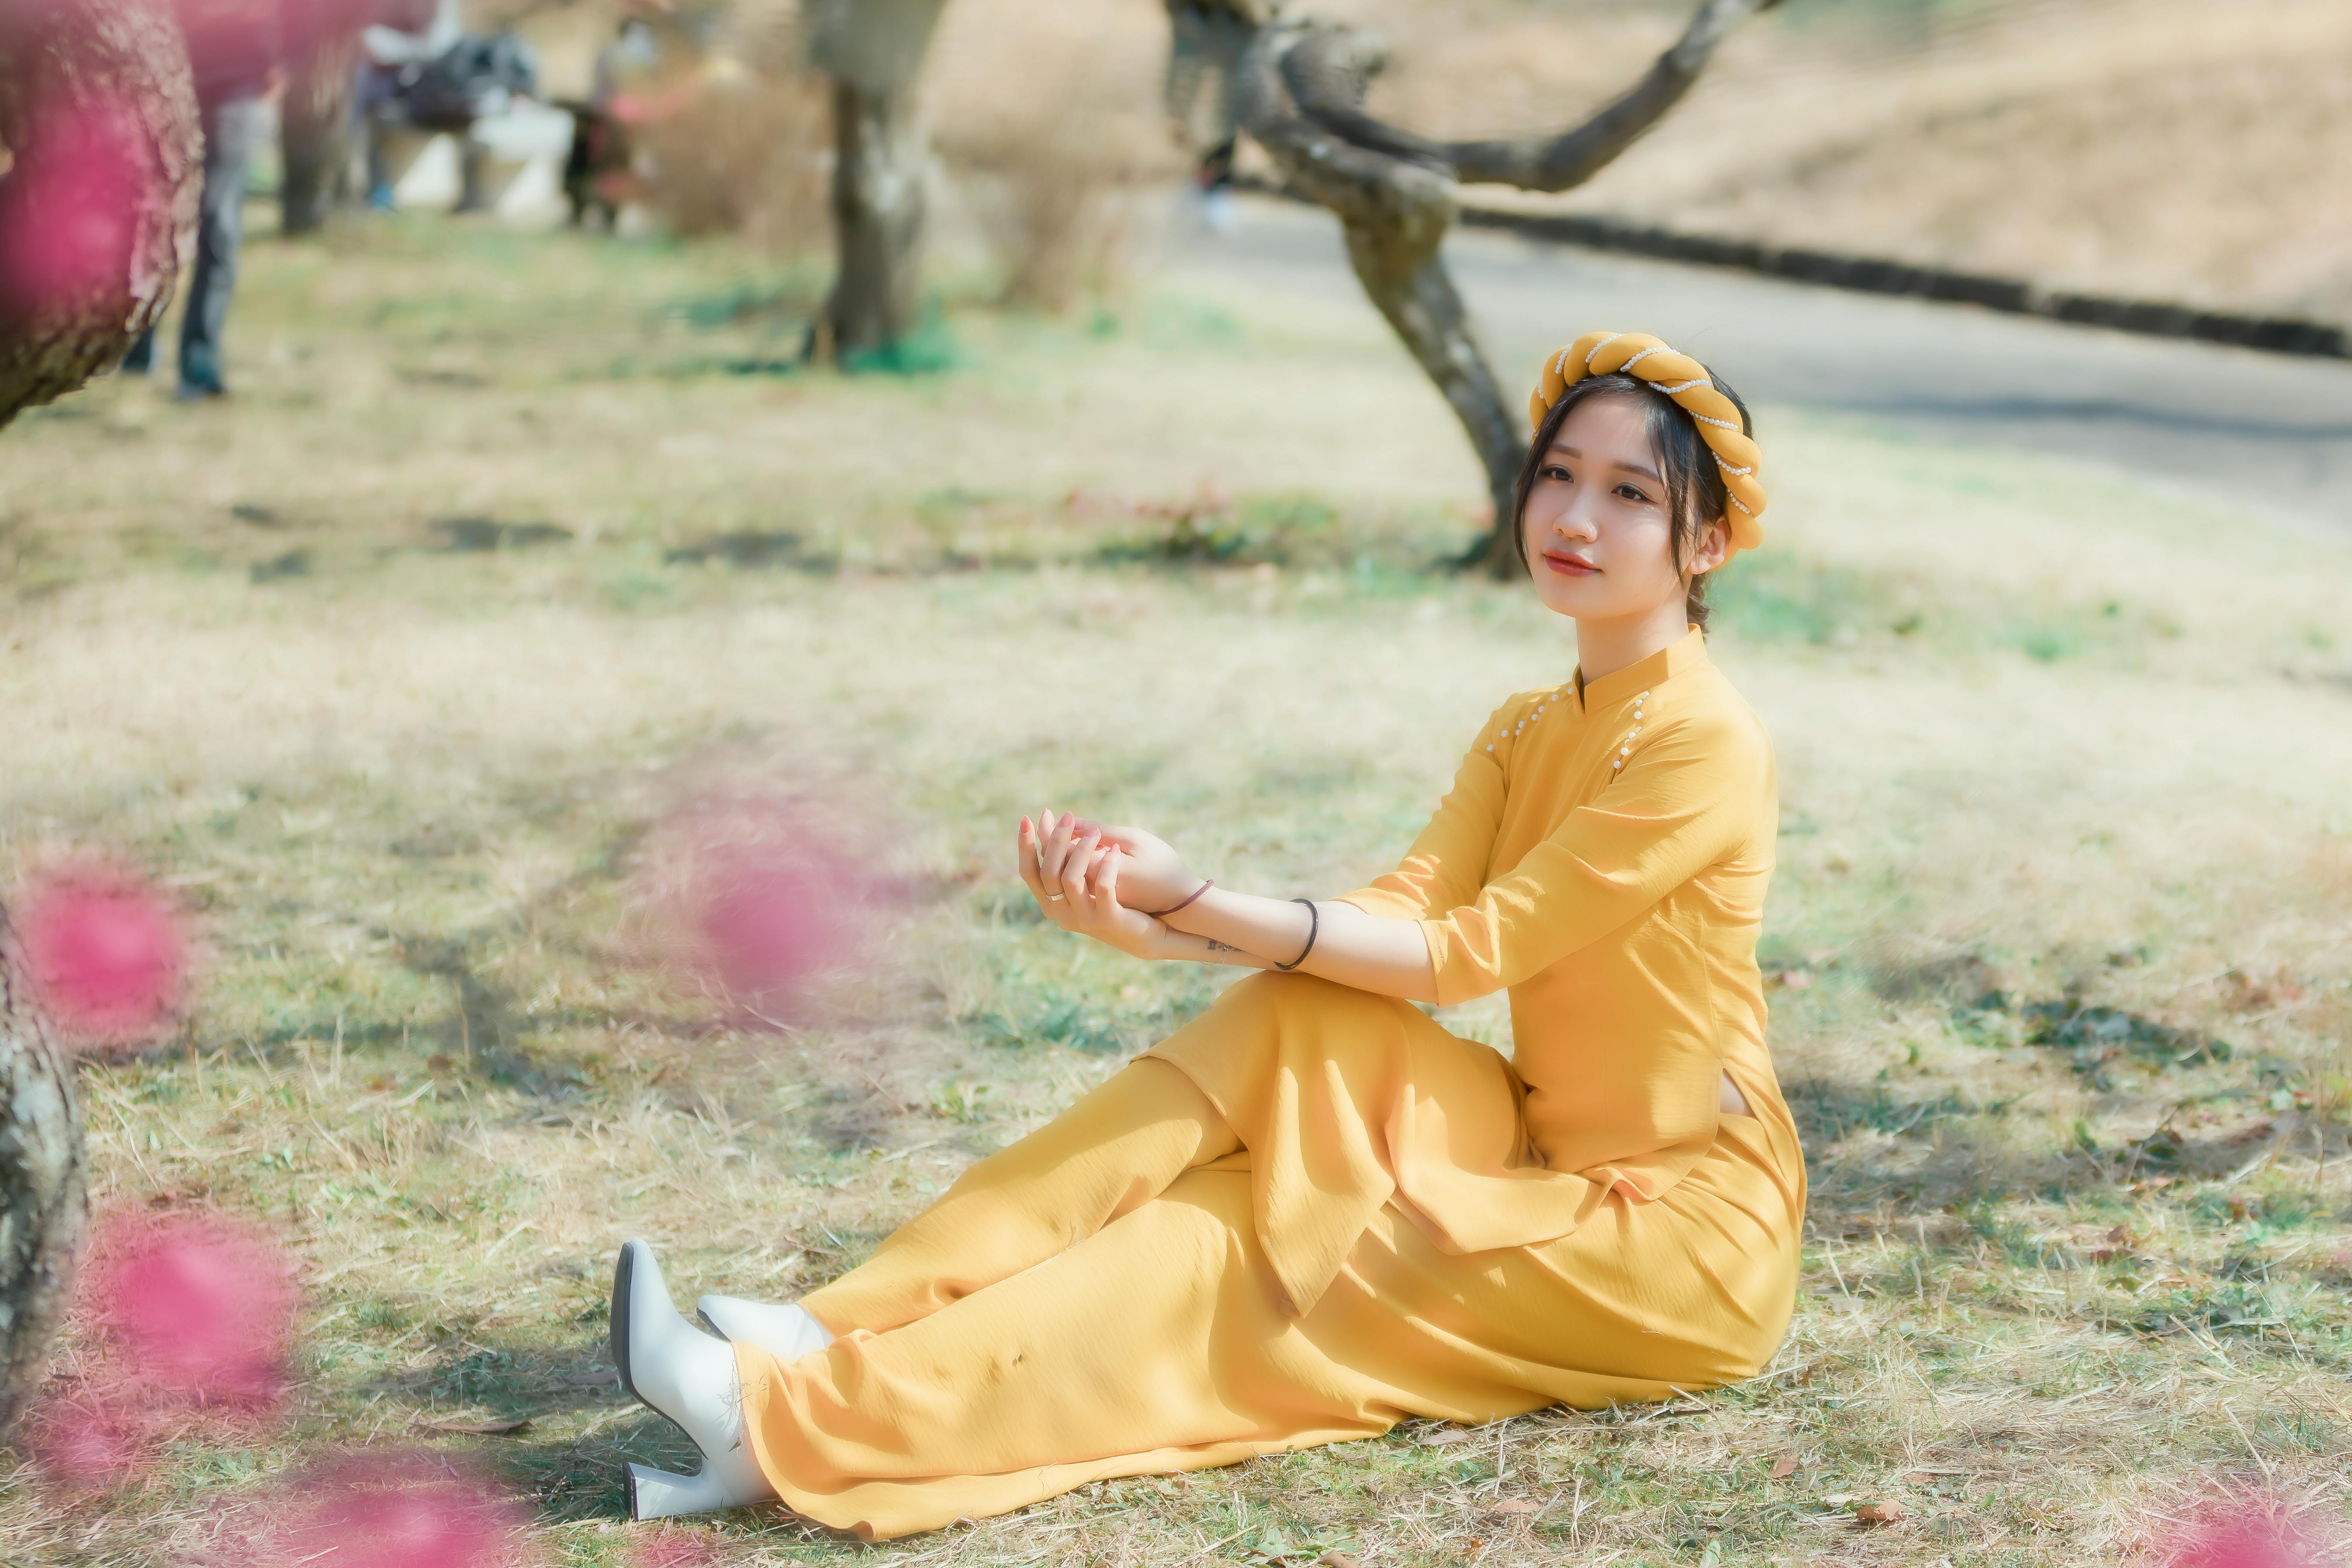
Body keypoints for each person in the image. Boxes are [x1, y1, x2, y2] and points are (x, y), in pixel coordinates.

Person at [606, 332, 1804, 1538]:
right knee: (1297, 1014)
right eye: (1556, 474)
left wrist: (1196, 899)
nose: (1575, 515)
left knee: (1265, 1235)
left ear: (1704, 546)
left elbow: (1467, 954)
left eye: (1629, 494)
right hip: (1538, 1151)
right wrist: (1157, 929)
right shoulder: (1526, 725)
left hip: (1670, 1232)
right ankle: (837, 1322)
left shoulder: (1705, 739)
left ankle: (776, 1419)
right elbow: (1397, 915)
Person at [122, 0, 283, 399]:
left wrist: (283, 59)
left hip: (239, 83)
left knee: (218, 221)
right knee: (157, 217)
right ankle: (137, 344)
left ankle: (199, 364)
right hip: (168, 79)